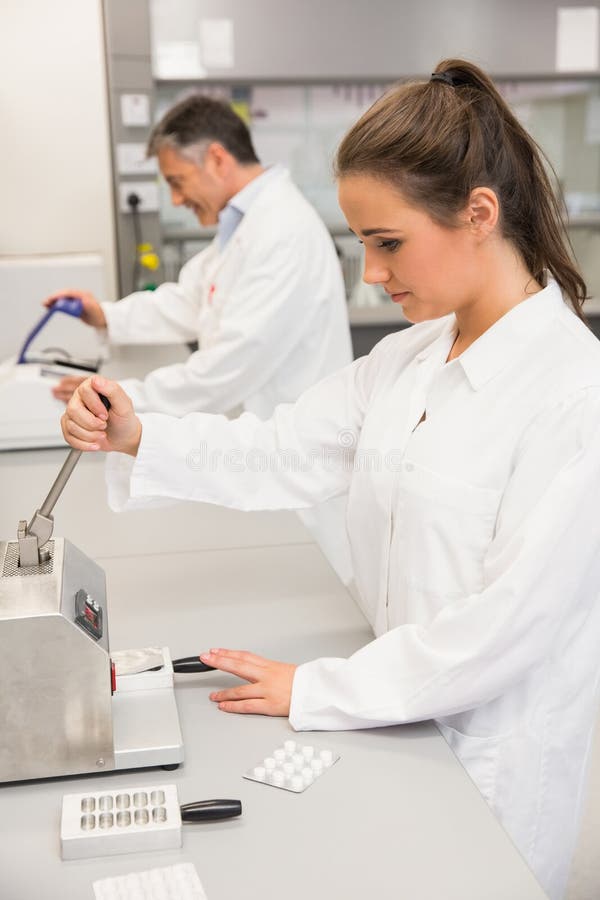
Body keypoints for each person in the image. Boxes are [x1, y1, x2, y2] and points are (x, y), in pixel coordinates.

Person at [61, 59, 600, 900]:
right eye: (362, 245)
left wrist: (317, 687)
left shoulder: (572, 393)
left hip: (489, 758)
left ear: (480, 214)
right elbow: (284, 448)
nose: (372, 276)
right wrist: (138, 434)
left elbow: (502, 632)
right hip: (392, 719)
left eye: (387, 243)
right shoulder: (410, 357)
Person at [47, 93, 354, 584]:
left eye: (176, 182)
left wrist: (125, 399)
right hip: (257, 462)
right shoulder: (245, 226)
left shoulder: (283, 231)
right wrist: (104, 314)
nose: (174, 200)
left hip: (297, 479)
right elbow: (191, 299)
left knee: (303, 599)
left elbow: (227, 368)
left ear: (216, 157)